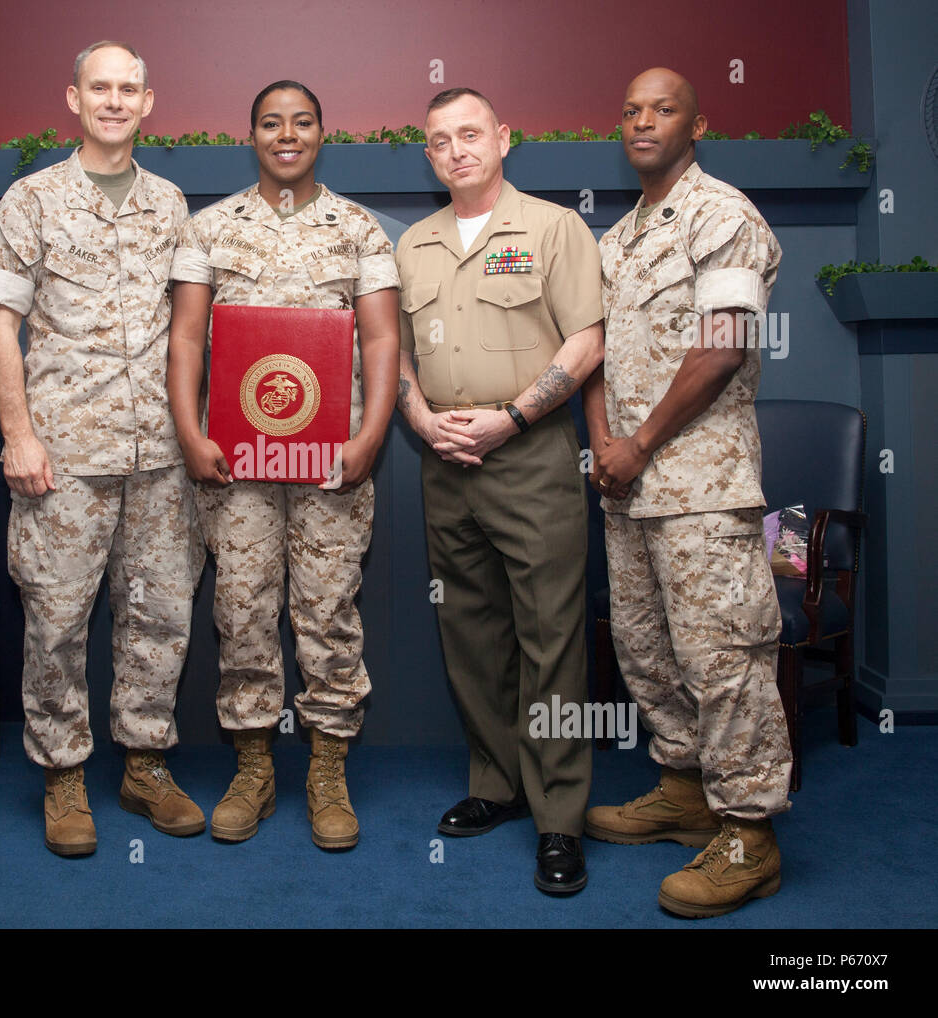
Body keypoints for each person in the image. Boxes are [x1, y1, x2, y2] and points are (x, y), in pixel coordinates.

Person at [0, 41, 203, 857]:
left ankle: (144, 765)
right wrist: (19, 436)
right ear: (73, 98)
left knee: (159, 617)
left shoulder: (172, 203)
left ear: (148, 102)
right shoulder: (32, 200)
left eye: (128, 88)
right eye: (98, 87)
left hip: (161, 459)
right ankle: (63, 775)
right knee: (58, 621)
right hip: (61, 455)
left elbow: (189, 329)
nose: (113, 100)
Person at [168, 81, 400, 850]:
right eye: (272, 122)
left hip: (332, 459)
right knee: (241, 609)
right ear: (253, 135)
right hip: (236, 463)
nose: (287, 134)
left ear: (321, 134)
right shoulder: (209, 228)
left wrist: (371, 434)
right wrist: (189, 431)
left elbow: (381, 341)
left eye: (302, 122)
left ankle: (327, 769)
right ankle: (254, 764)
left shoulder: (360, 230)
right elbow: (187, 340)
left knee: (328, 611)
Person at [584, 67, 789, 918]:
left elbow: (724, 346)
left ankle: (750, 834)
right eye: (630, 109)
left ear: (696, 124)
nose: (642, 121)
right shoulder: (618, 236)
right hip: (628, 489)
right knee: (646, 649)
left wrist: (635, 443)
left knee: (724, 661)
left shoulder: (725, 216)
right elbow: (590, 348)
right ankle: (683, 791)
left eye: (662, 109)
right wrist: (603, 443)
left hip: (702, 488)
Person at [394, 88, 605, 894]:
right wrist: (418, 416)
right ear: (430, 155)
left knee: (551, 636)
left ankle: (559, 817)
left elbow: (587, 338)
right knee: (470, 633)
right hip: (445, 459)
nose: (457, 150)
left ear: (503, 138)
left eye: (471, 133)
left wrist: (512, 417)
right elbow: (397, 353)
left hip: (532, 454)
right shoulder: (413, 244)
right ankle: (497, 787)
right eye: (441, 140)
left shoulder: (553, 228)